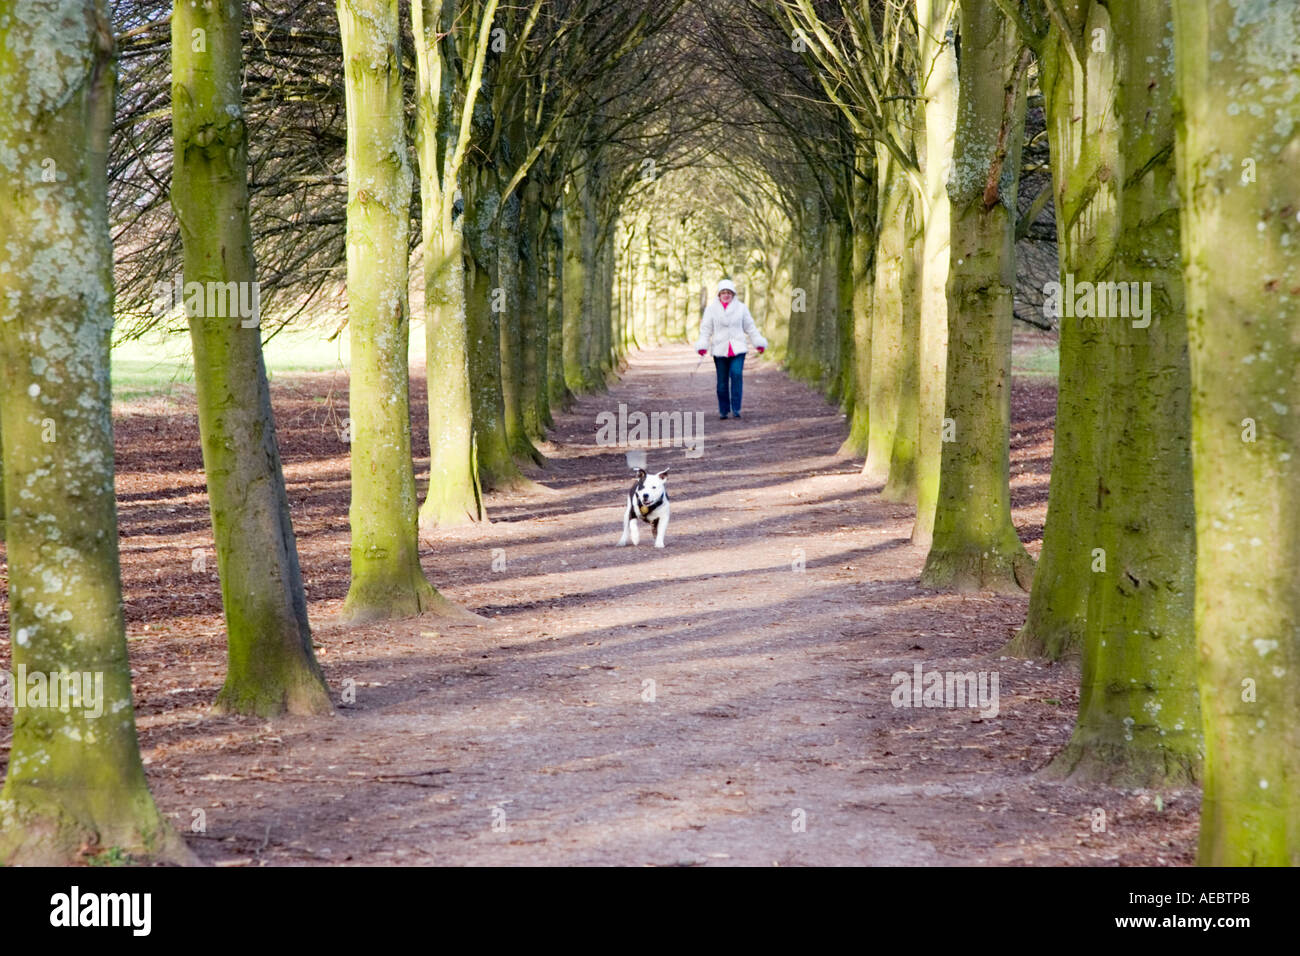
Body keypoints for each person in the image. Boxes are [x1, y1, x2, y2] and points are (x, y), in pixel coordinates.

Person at [695, 279, 767, 420]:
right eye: (723, 292)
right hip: (719, 350)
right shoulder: (711, 310)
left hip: (738, 349)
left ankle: (736, 408)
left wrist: (758, 343)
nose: (726, 295)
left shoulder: (741, 308)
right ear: (719, 295)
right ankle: (723, 410)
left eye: (729, 292)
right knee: (722, 382)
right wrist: (703, 345)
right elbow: (706, 330)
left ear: (733, 294)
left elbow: (750, 327)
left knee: (736, 375)